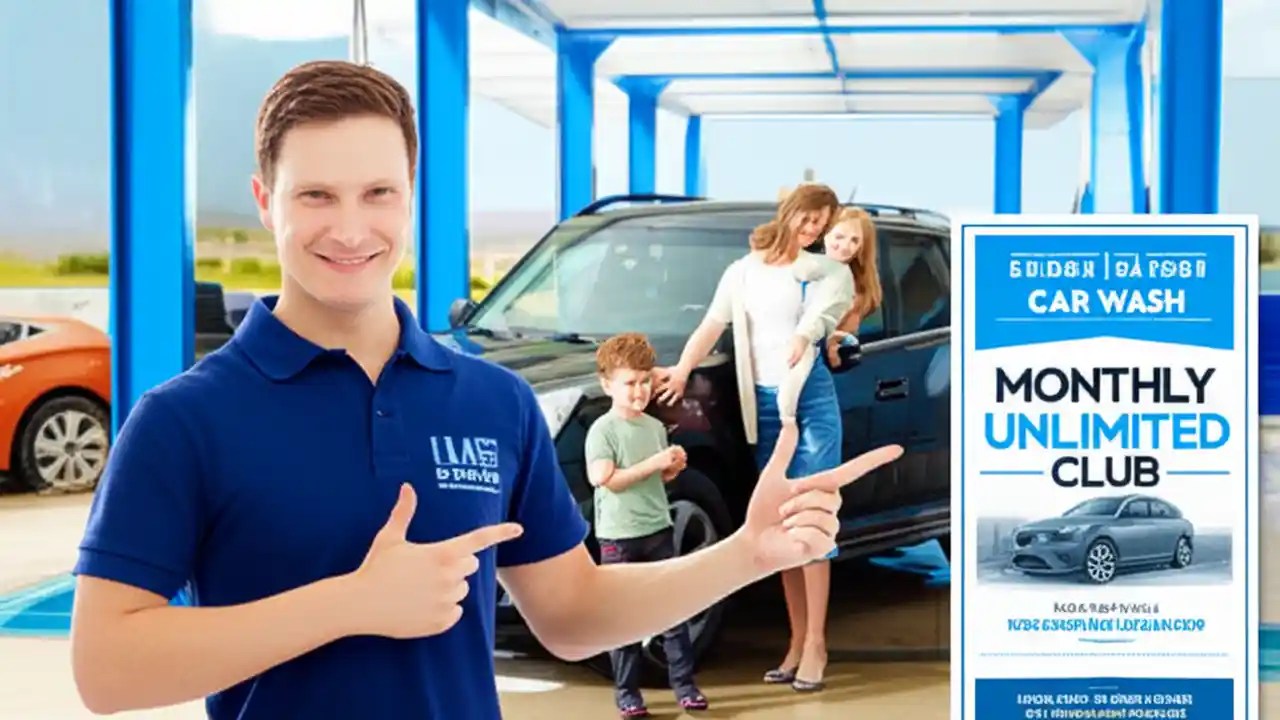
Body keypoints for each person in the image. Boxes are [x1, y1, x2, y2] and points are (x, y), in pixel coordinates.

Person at [68, 60, 903, 720]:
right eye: (315, 195)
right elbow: (106, 668)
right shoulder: (185, 419)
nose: (352, 228)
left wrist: (742, 557)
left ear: (410, 194)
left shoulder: (490, 403)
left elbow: (571, 613)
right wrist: (350, 604)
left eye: (378, 193)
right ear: (265, 202)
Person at [653, 184, 853, 693]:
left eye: (821, 226)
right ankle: (795, 640)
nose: (811, 232)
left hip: (810, 398)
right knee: (783, 524)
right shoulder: (741, 272)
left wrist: (808, 337)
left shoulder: (820, 272)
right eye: (808, 221)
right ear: (789, 213)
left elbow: (829, 313)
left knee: (811, 520)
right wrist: (681, 369)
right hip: (762, 405)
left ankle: (816, 645)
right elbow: (710, 325)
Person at [585, 332, 707, 718]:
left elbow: (653, 479)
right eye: (629, 384)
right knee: (623, 619)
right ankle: (626, 692)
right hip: (619, 538)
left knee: (671, 615)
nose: (638, 392)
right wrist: (654, 465)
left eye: (644, 382)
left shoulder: (654, 428)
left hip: (657, 528)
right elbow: (606, 479)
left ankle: (684, 686)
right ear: (608, 385)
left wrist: (670, 469)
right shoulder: (603, 431)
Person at [819, 207, 884, 369]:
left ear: (861, 248)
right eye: (839, 237)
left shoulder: (854, 292)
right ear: (825, 235)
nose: (845, 246)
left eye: (854, 241)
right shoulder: (802, 270)